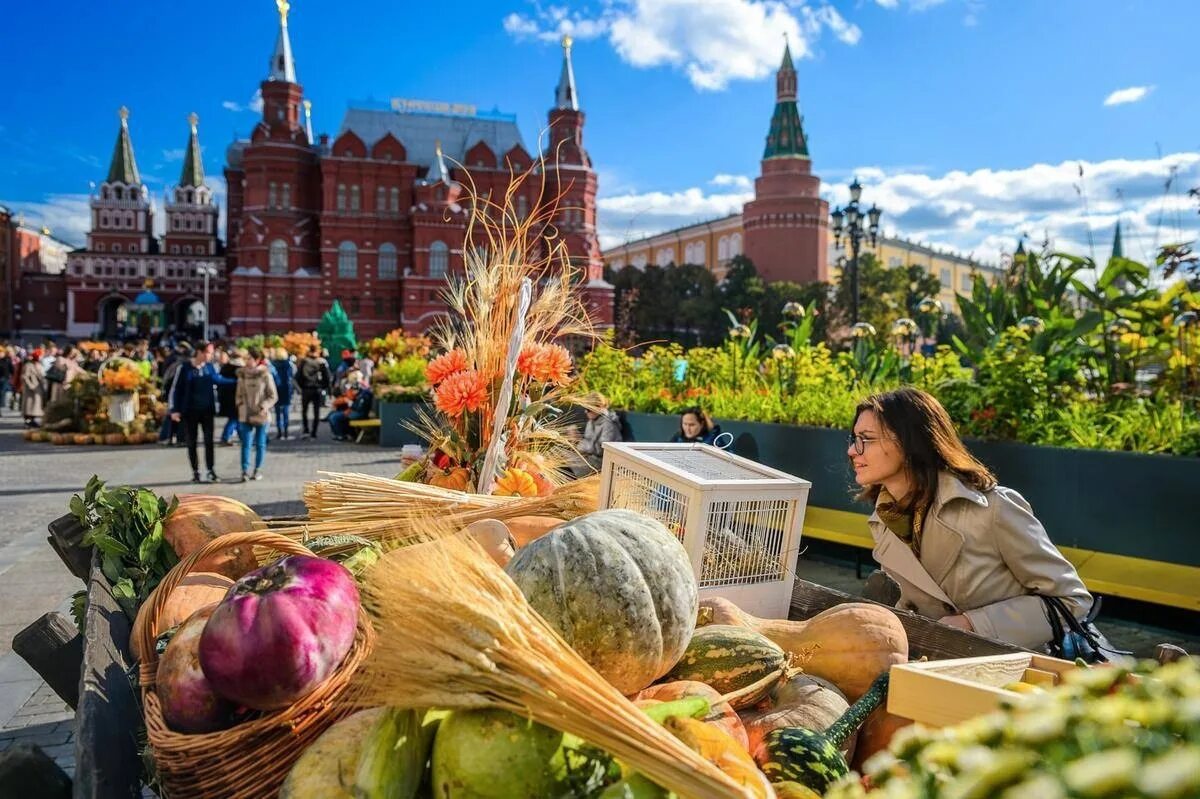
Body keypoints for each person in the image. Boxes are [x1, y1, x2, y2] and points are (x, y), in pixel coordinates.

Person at [850, 387, 1092, 650]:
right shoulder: (886, 519)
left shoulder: (992, 508)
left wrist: (973, 624)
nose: (853, 450)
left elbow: (1071, 600)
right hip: (934, 666)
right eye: (853, 439)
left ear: (910, 442)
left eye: (866, 439)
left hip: (1008, 667)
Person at [168, 342, 235, 483]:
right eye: (209, 352)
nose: (211, 355)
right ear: (199, 352)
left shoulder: (209, 367)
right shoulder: (184, 368)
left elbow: (218, 380)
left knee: (209, 442)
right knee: (191, 442)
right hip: (190, 411)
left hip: (207, 411)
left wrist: (238, 380)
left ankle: (211, 470)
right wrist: (174, 410)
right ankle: (195, 472)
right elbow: (176, 389)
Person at [235, 347, 278, 481]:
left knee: (260, 444)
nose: (247, 361)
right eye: (246, 358)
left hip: (261, 413)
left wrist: (264, 406)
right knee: (246, 444)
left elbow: (273, 395)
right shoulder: (242, 375)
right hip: (245, 414)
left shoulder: (265, 375)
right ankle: (244, 471)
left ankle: (257, 469)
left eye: (250, 358)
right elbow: (238, 394)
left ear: (257, 360)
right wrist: (240, 404)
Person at [574, 392, 622, 473]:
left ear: (599, 407)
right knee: (560, 455)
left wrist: (579, 443)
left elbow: (602, 450)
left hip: (601, 464)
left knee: (565, 465)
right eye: (585, 408)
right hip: (590, 459)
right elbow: (588, 441)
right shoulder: (592, 421)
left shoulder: (609, 424)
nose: (585, 412)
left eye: (588, 409)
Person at [296, 345, 332, 439]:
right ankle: (314, 432)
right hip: (317, 389)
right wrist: (324, 387)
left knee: (304, 410)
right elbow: (327, 377)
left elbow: (298, 376)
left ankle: (306, 430)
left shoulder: (304, 362)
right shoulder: (321, 362)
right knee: (316, 411)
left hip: (306, 389)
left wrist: (302, 386)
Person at [328, 373, 373, 441]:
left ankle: (341, 434)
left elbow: (358, 406)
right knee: (332, 415)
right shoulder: (357, 389)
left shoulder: (363, 392)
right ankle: (342, 434)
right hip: (353, 410)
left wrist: (350, 403)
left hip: (356, 412)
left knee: (334, 417)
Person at [217, 348, 243, 446]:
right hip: (235, 396)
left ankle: (243, 437)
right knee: (235, 418)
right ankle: (225, 437)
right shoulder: (239, 368)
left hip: (225, 396)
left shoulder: (225, 367)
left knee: (236, 418)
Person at [271, 346, 296, 440]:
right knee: (286, 412)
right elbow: (291, 376)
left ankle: (279, 432)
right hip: (286, 389)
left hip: (276, 389)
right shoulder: (288, 364)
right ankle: (286, 432)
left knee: (277, 412)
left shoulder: (272, 364)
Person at [20, 350, 46, 427]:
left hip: (38, 387)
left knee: (35, 405)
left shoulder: (39, 365)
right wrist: (30, 385)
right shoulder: (28, 365)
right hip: (30, 388)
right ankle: (28, 420)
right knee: (29, 404)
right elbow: (24, 376)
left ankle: (32, 419)